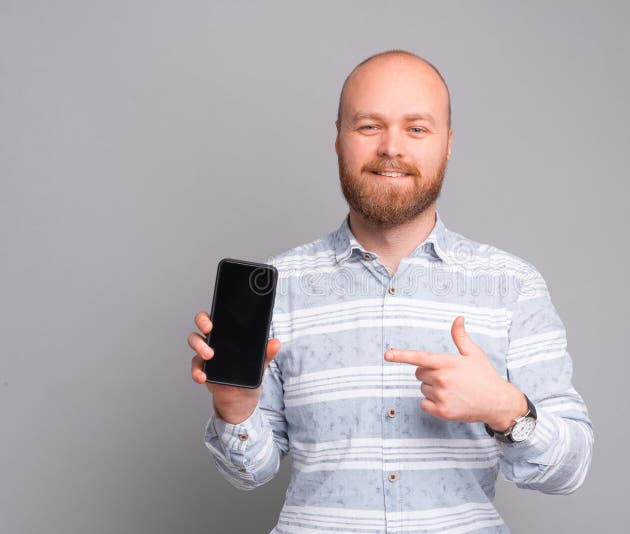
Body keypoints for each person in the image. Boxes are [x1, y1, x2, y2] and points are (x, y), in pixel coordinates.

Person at [188, 49, 593, 534]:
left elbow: (570, 469)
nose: (391, 148)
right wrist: (234, 410)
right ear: (338, 139)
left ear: (447, 144)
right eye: (368, 126)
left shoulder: (511, 286)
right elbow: (250, 473)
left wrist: (506, 409)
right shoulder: (282, 284)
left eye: (416, 128)